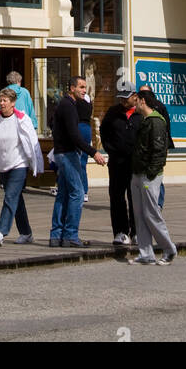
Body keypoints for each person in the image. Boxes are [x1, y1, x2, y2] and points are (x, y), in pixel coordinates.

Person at [0, 88, 43, 245]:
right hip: (3, 165)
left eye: (5, 101)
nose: (2, 103)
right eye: (0, 100)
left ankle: (1, 231)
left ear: (13, 103)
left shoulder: (22, 119)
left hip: (19, 165)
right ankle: (26, 233)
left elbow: (32, 142)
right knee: (16, 199)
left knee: (10, 197)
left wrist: (37, 165)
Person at [49, 76, 108, 248]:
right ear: (72, 88)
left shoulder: (66, 105)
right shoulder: (68, 106)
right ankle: (70, 235)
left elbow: (53, 123)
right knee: (77, 193)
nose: (84, 90)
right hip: (67, 154)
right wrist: (94, 152)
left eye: (85, 87)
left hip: (63, 152)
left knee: (63, 193)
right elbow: (74, 136)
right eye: (81, 87)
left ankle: (56, 235)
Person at [127, 92, 177, 266]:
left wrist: (150, 172)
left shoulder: (156, 121)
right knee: (139, 215)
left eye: (136, 101)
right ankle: (145, 253)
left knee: (151, 214)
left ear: (142, 101)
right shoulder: (145, 121)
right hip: (138, 173)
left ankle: (169, 249)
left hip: (148, 175)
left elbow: (158, 151)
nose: (134, 104)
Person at [100, 79, 141, 244]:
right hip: (117, 163)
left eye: (127, 97)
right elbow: (104, 133)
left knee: (135, 198)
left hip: (136, 164)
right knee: (117, 197)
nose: (123, 101)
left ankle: (137, 232)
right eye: (121, 98)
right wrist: (112, 149)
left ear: (135, 96)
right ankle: (120, 232)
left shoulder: (141, 113)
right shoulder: (113, 112)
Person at [137, 86, 173, 208]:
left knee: (156, 181)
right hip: (142, 164)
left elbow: (164, 131)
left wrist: (151, 172)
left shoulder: (157, 113)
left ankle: (158, 203)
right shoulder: (140, 114)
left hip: (151, 165)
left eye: (144, 93)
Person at [76, 87, 93, 202]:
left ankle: (80, 189)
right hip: (87, 128)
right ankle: (84, 189)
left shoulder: (77, 102)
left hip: (79, 127)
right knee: (83, 161)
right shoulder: (89, 103)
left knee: (76, 160)